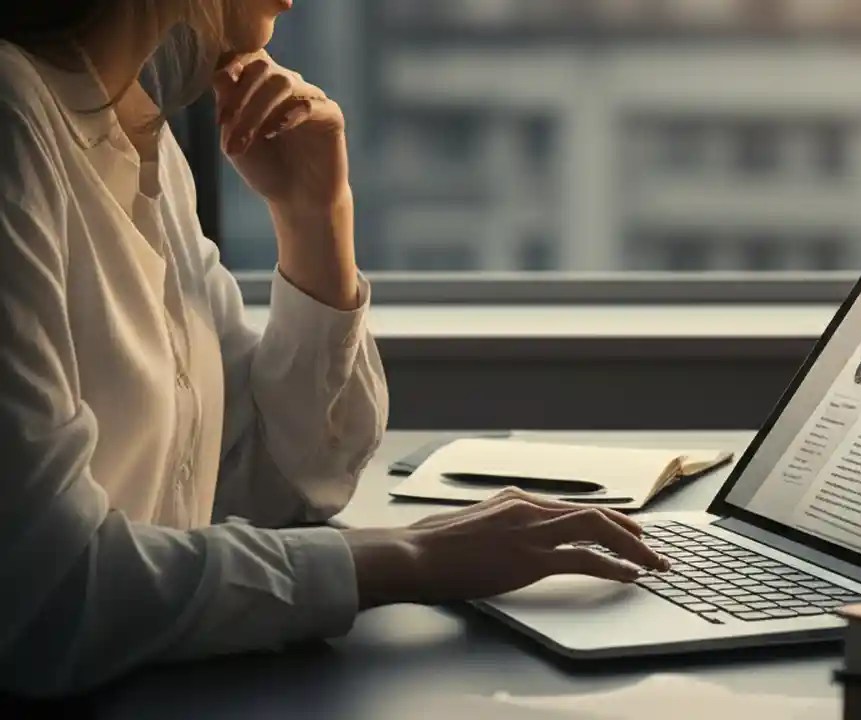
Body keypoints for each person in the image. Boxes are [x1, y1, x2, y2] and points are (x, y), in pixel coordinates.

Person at [0, 1, 668, 698]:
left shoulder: (139, 137)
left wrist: (315, 219)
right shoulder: (14, 121)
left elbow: (287, 486)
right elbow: (45, 595)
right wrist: (416, 555)